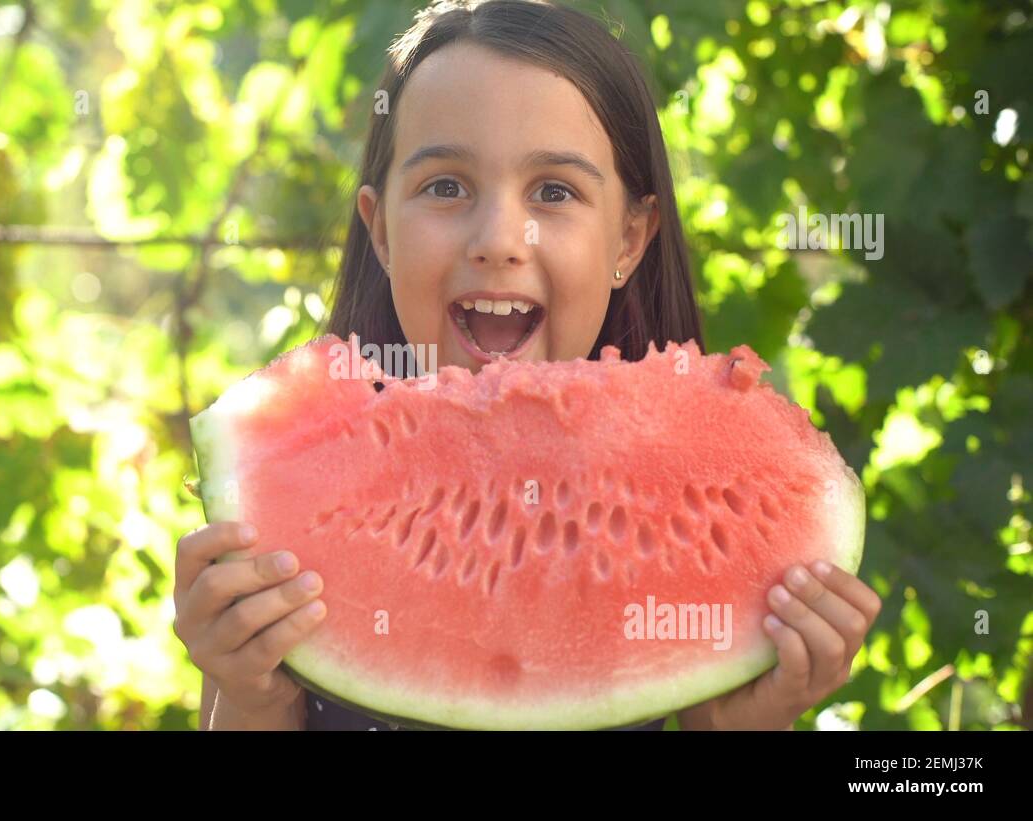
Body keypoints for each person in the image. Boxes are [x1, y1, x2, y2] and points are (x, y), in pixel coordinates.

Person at [174, 0, 882, 731]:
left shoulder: (705, 603)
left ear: (629, 240)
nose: (500, 239)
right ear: (380, 229)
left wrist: (750, 723)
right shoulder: (284, 513)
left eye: (554, 191)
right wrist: (248, 695)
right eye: (445, 186)